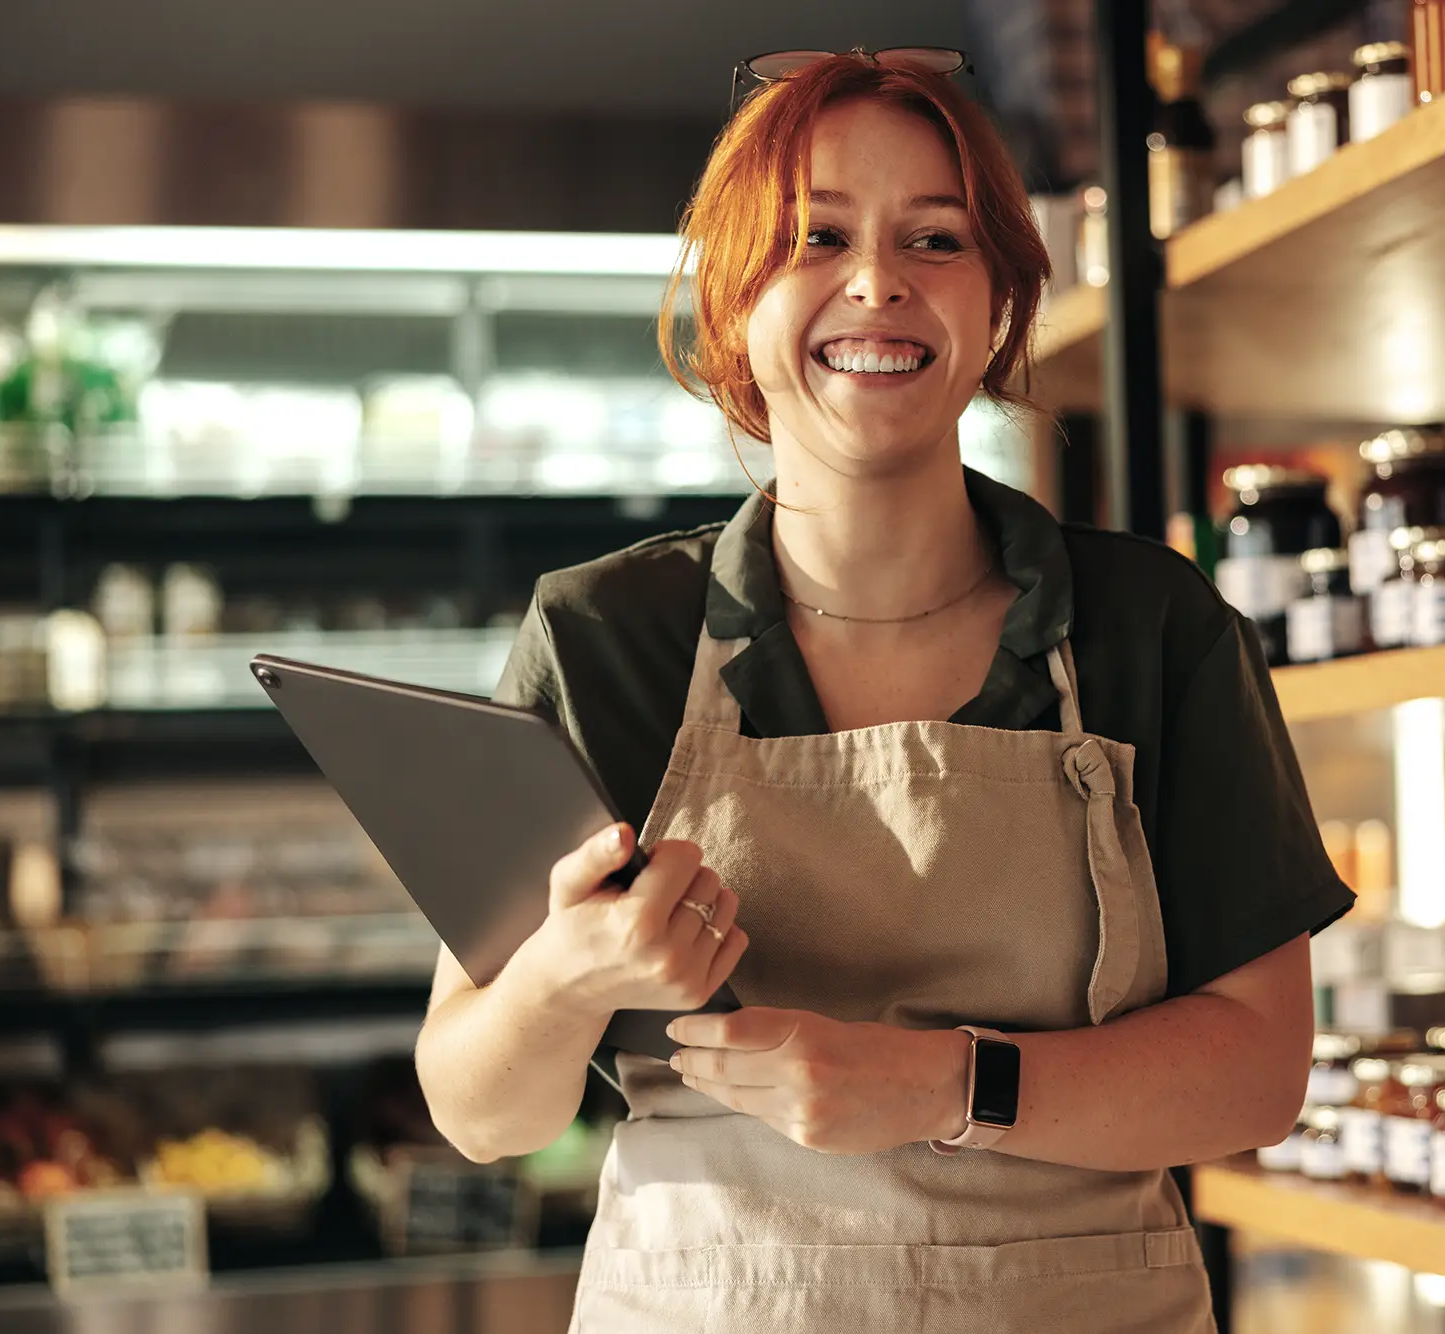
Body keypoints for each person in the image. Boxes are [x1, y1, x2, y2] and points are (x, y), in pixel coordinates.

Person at [413, 47, 1352, 1334]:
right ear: (736, 298)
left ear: (1001, 304)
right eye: (816, 236)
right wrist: (561, 980)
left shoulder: (1154, 629)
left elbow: (1255, 1071)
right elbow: (478, 1108)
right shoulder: (604, 638)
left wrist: (945, 1084)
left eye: (936, 237)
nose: (877, 281)